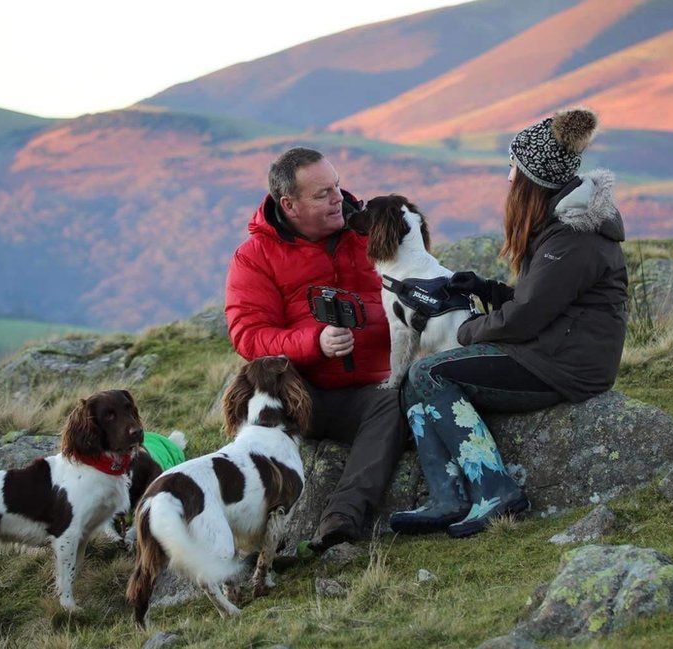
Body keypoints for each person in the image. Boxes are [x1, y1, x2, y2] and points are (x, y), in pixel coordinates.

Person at [389, 107, 629, 538]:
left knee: (429, 371)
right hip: (551, 351)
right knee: (413, 380)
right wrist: (485, 289)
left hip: (563, 365)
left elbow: (526, 317)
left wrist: (467, 332)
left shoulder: (573, 238)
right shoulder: (560, 224)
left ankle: (495, 489)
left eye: (513, 167)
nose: (509, 178)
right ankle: (447, 496)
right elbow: (540, 299)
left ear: (533, 179)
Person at [224, 147, 404, 551]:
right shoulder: (255, 257)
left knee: (391, 405)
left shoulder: (371, 230)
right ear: (289, 205)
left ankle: (342, 519)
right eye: (322, 194)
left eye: (337, 186)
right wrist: (314, 342)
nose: (339, 198)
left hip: (374, 387)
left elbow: (415, 289)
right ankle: (251, 540)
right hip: (305, 394)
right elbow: (249, 335)